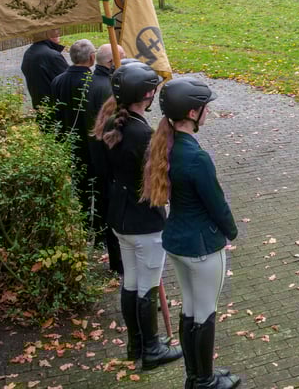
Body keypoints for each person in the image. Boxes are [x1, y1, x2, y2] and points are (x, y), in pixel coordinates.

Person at [142, 78, 240, 389]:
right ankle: (204, 380)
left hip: (176, 241)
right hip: (202, 244)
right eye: (205, 108)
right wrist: (232, 232)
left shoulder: (165, 145)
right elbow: (216, 203)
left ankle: (196, 375)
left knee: (190, 310)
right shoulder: (196, 157)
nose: (207, 113)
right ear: (194, 113)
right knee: (205, 312)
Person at [93, 62, 182, 370]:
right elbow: (163, 177)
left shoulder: (110, 122)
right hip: (144, 221)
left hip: (119, 215)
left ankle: (136, 344)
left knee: (131, 282)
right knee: (145, 285)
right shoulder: (142, 133)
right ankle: (152, 349)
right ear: (146, 95)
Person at [86, 43, 126, 274]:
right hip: (109, 164)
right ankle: (118, 261)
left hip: (97, 159)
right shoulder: (108, 89)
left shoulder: (92, 81)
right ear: (111, 62)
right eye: (121, 58)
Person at [51, 39, 98, 228]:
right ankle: (97, 227)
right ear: (92, 58)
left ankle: (85, 222)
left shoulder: (57, 80)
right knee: (94, 184)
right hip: (89, 142)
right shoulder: (92, 82)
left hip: (66, 138)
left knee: (79, 184)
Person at [21, 29, 69, 111]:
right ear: (44, 33)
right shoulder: (52, 56)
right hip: (56, 110)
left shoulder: (29, 52)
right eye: (53, 30)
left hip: (41, 108)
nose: (58, 32)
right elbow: (69, 82)